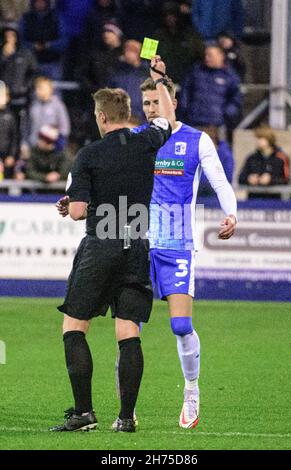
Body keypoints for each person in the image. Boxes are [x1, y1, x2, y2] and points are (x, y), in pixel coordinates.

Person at [52, 56, 175, 433]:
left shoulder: (89, 154)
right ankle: (125, 418)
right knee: (128, 331)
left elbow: (76, 213)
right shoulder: (146, 142)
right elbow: (166, 120)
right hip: (136, 244)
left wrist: (70, 203)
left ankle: (84, 413)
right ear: (127, 113)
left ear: (102, 117)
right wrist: (160, 80)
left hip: (101, 245)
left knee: (74, 326)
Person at [113, 77, 237, 430]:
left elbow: (219, 181)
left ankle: (192, 390)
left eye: (157, 102)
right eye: (146, 103)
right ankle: (126, 409)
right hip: (139, 245)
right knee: (128, 332)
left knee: (181, 326)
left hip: (177, 245)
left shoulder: (197, 141)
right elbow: (100, 167)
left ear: (173, 102)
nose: (151, 109)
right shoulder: (137, 139)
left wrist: (232, 214)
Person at [179, 45, 242, 131]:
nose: (206, 58)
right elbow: (185, 92)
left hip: (217, 125)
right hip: (193, 122)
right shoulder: (195, 72)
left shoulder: (230, 76)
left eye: (210, 55)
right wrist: (185, 109)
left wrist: (227, 115)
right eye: (205, 55)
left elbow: (235, 99)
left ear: (221, 56)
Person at [20, 0, 68, 80]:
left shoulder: (57, 18)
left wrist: (49, 45)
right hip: (30, 62)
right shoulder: (26, 18)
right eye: (37, 2)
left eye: (42, 1)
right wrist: (33, 46)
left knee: (54, 89)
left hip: (52, 62)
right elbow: (20, 40)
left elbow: (64, 41)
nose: (40, 4)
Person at [22, 76, 70, 154]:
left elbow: (65, 129)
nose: (38, 91)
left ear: (50, 89)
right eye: (37, 88)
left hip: (53, 149)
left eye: (41, 88)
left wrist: (53, 143)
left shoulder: (58, 105)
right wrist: (24, 144)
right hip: (35, 149)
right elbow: (26, 128)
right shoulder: (32, 106)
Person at [239, 126, 290, 198]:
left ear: (269, 139)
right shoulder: (252, 158)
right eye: (257, 138)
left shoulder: (281, 158)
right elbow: (241, 178)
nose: (257, 141)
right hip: (254, 200)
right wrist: (249, 178)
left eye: (260, 138)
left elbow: (286, 179)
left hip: (275, 201)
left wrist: (271, 180)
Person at [107, 40, 149, 121]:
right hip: (121, 117)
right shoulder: (117, 72)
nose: (127, 54)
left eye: (132, 51)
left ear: (138, 53)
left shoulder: (146, 74)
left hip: (141, 118)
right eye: (126, 50)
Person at [0, 82, 18, 179]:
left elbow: (14, 138)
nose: (4, 98)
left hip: (6, 159)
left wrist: (11, 155)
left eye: (5, 95)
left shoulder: (10, 115)